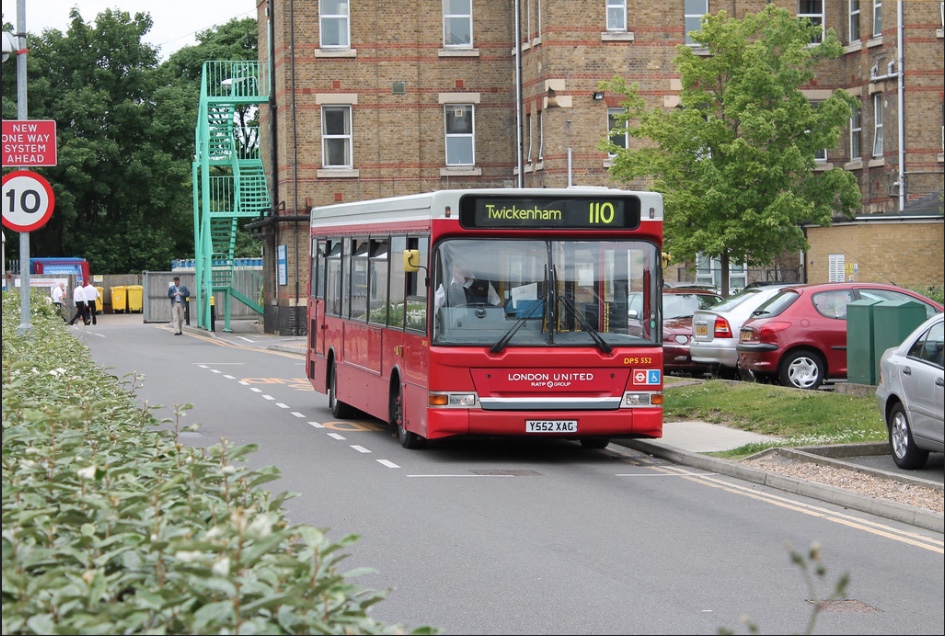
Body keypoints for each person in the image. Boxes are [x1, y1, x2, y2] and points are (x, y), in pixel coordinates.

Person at [434, 262, 501, 313]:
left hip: (481, 326)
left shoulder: (484, 283)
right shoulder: (445, 287)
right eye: (455, 272)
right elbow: (434, 307)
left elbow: (498, 305)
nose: (456, 275)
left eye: (460, 273)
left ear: (469, 269)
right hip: (455, 328)